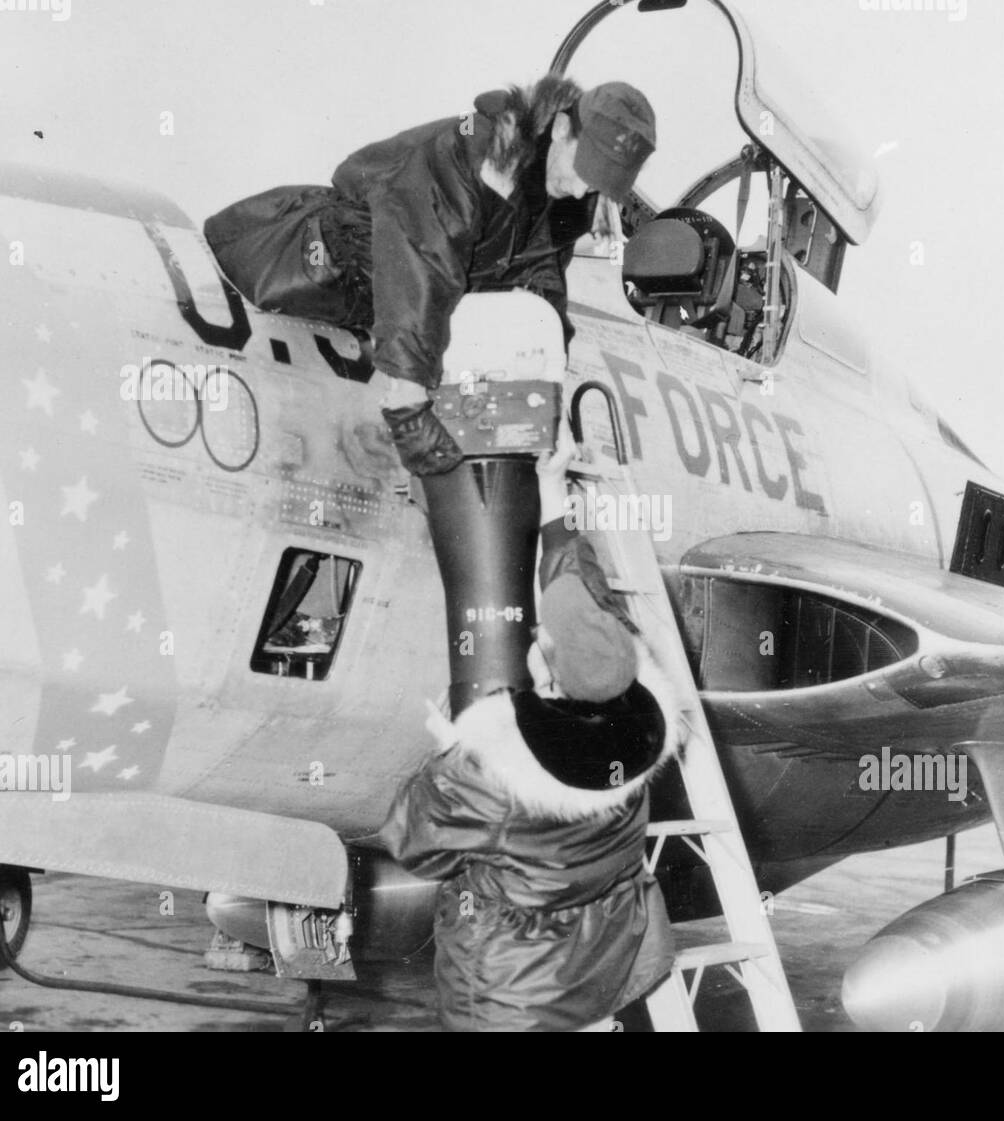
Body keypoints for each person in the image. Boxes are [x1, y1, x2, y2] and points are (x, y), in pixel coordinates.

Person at [375, 432, 680, 1031]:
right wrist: (551, 494)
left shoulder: (495, 770)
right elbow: (580, 600)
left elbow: (410, 843)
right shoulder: (638, 711)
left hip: (512, 996)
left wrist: (453, 751)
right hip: (601, 968)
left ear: (549, 668)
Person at [204, 75, 656, 476]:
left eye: (597, 184)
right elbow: (421, 256)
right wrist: (407, 397)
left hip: (395, 305)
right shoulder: (472, 150)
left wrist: (549, 414)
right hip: (313, 259)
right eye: (583, 170)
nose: (582, 189)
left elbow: (540, 303)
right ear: (560, 129)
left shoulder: (559, 206)